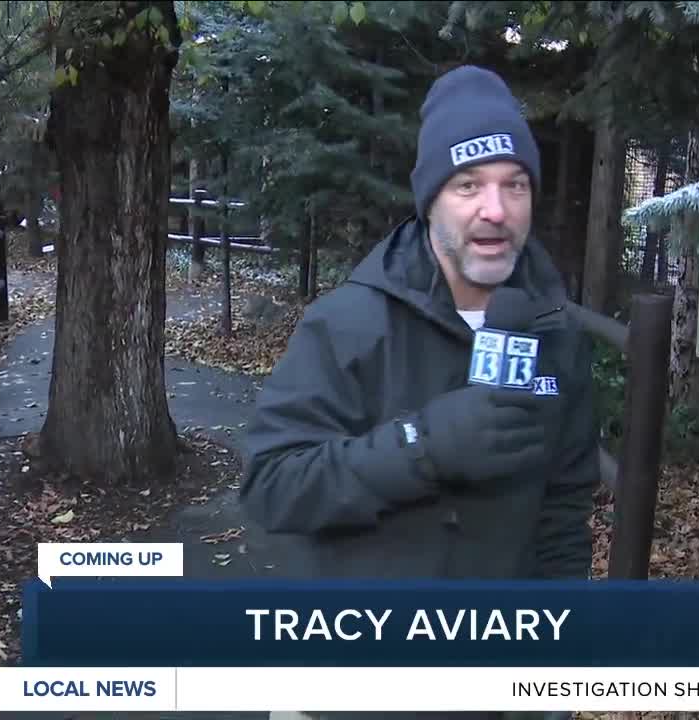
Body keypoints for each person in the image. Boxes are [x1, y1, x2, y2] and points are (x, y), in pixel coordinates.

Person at [241, 67, 599, 719]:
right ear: (430, 199)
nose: (495, 209)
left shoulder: (557, 337)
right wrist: (422, 448)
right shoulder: (349, 323)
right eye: (468, 185)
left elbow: (564, 512)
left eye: (514, 185)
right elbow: (273, 486)